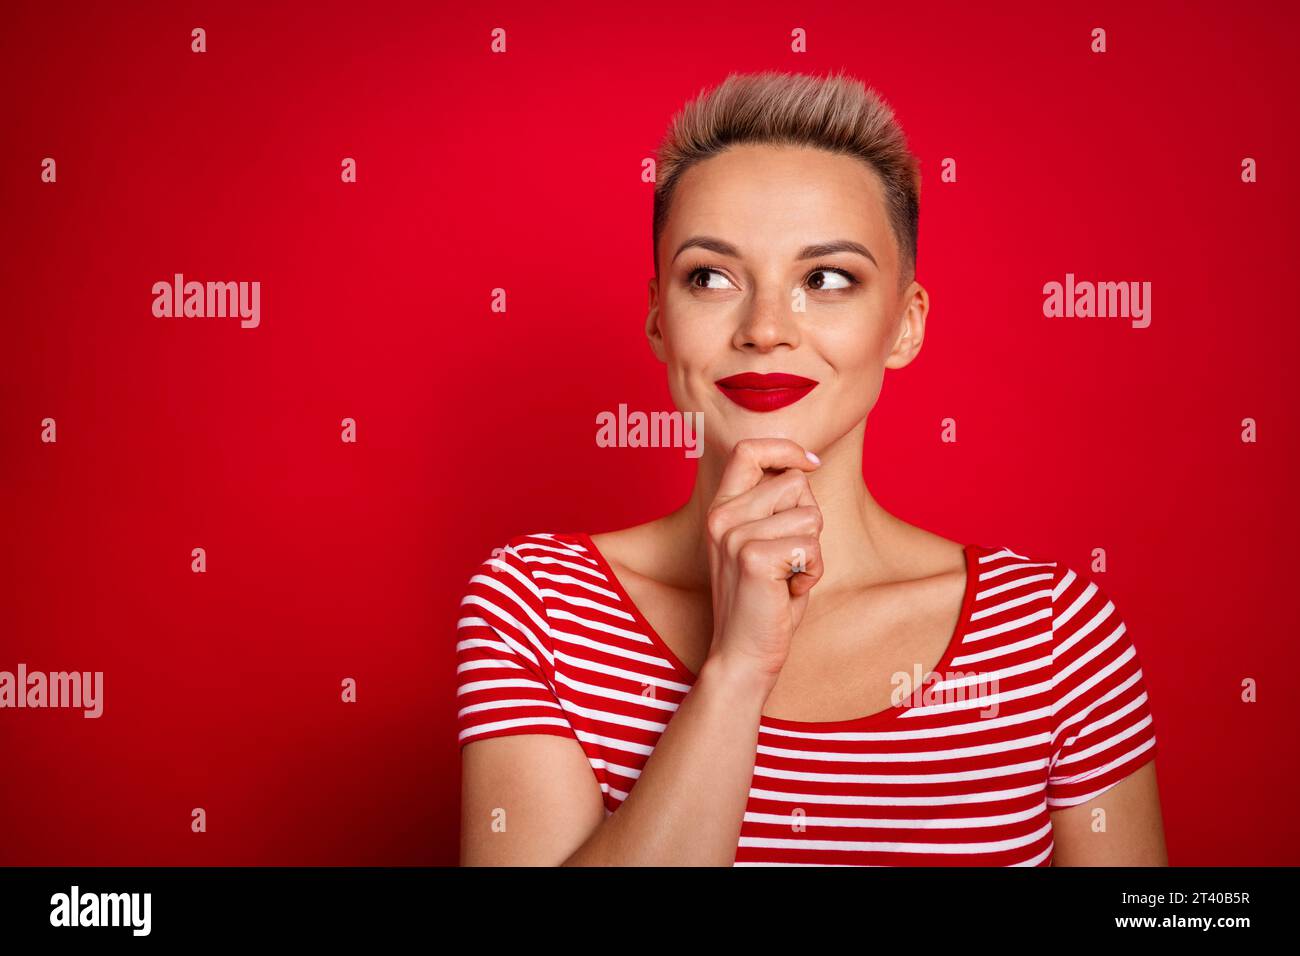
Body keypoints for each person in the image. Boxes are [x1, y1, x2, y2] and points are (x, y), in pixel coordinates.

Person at [455, 69, 1167, 866]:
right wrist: (734, 672)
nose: (765, 328)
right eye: (711, 277)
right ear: (660, 318)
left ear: (904, 325)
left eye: (826, 280)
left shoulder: (1055, 635)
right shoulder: (537, 606)